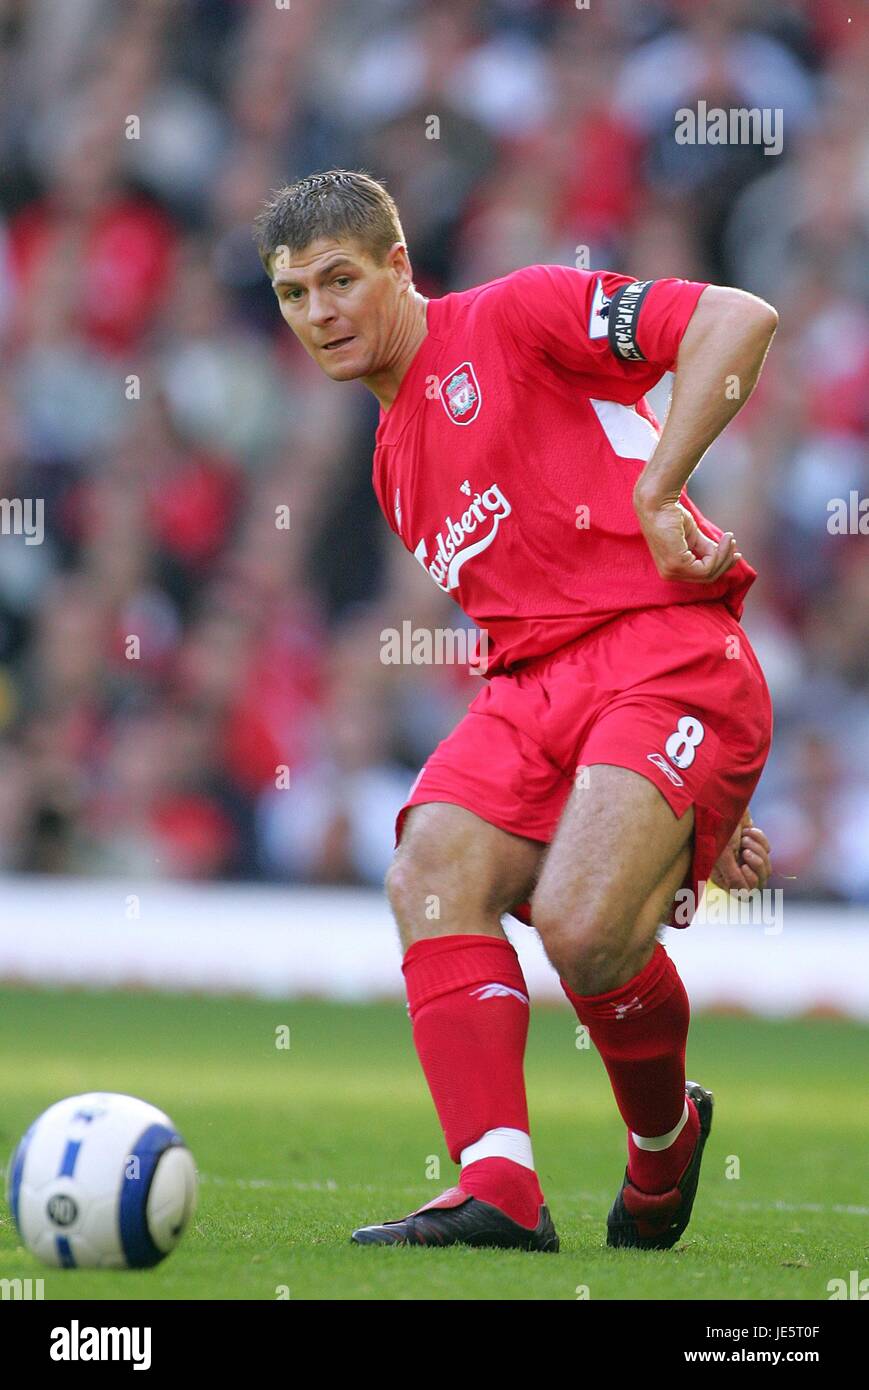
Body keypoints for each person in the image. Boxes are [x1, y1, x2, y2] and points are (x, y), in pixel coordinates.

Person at [254, 170, 776, 1252]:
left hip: (665, 655)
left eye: (341, 280)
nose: (321, 314)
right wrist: (679, 819)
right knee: (427, 865)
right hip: (532, 689)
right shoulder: (391, 461)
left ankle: (663, 1142)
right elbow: (531, 609)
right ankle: (497, 1187)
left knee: (583, 931)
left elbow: (736, 320)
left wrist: (657, 488)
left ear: (399, 266)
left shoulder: (516, 311)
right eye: (294, 295)